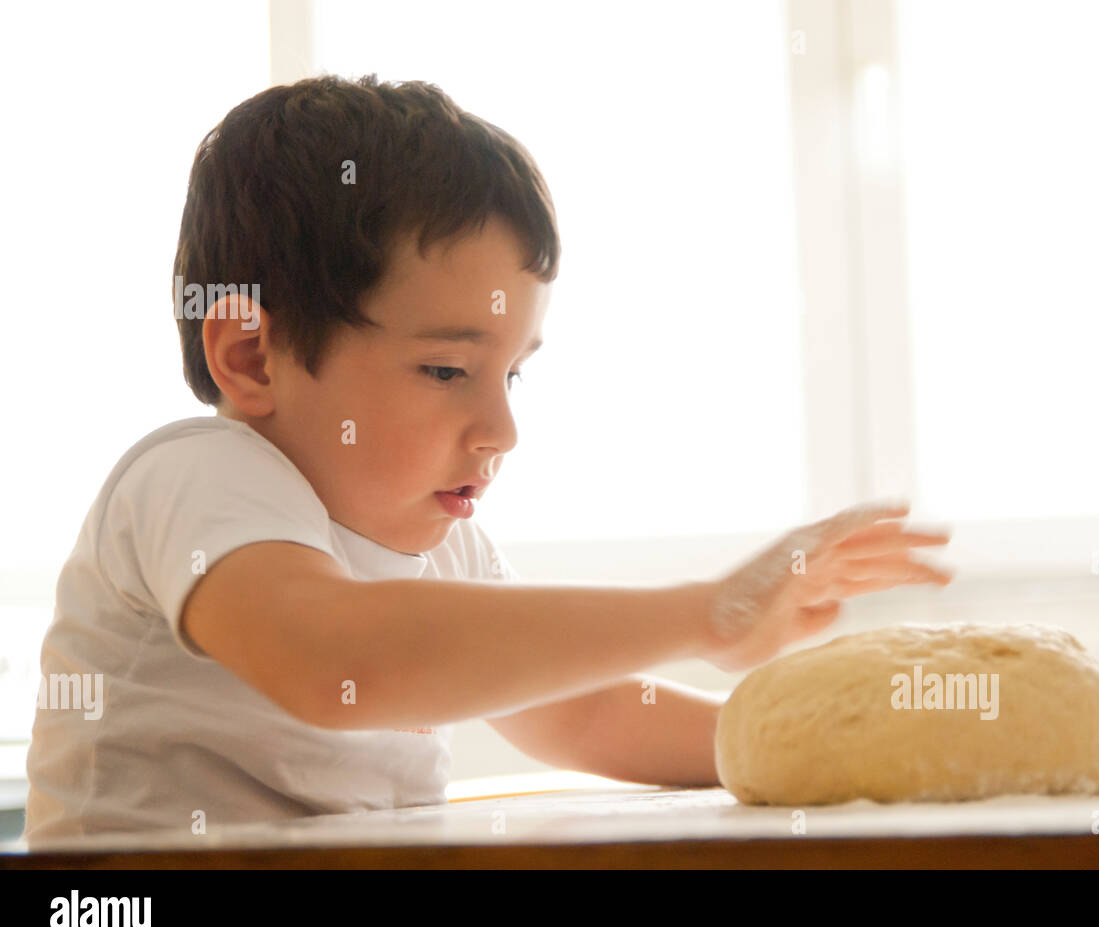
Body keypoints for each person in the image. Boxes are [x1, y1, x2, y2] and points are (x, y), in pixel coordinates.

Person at [24, 74, 952, 846]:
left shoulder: (444, 546)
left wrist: (826, 752)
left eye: (514, 374)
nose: (500, 428)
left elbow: (586, 712)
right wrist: (706, 614)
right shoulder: (193, 478)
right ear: (250, 356)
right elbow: (333, 657)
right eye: (446, 369)